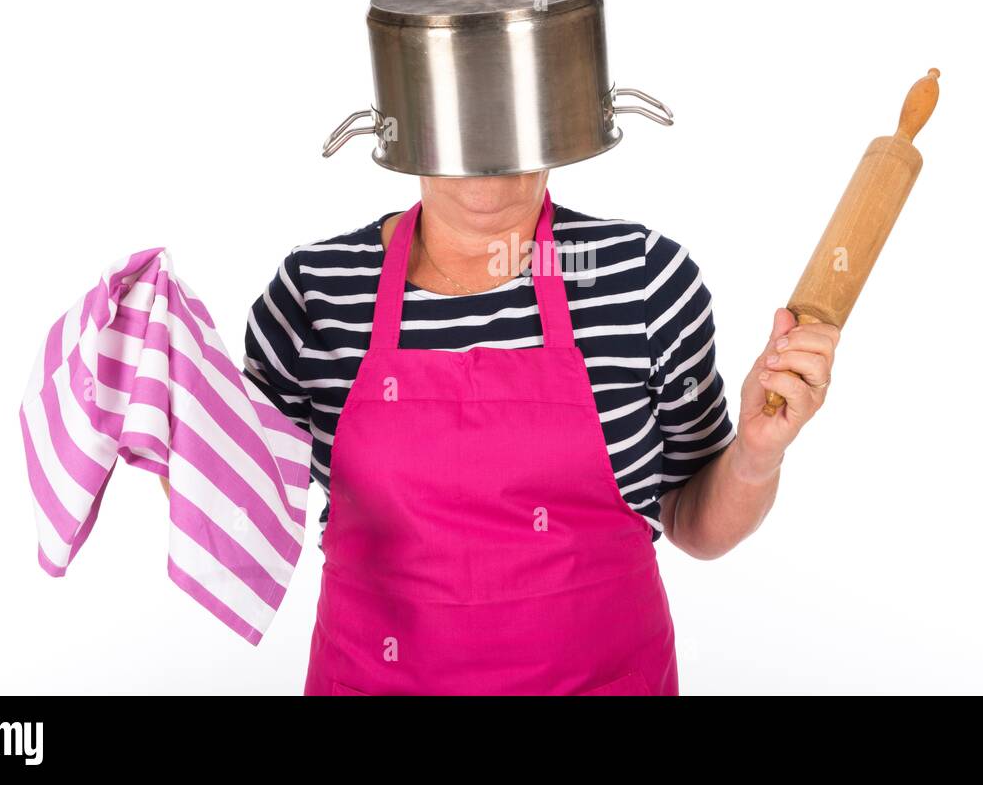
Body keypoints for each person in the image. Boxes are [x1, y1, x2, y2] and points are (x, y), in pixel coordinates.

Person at [243, 171, 838, 695]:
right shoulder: (312, 293)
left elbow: (693, 524)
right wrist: (166, 400)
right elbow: (235, 512)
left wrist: (757, 455)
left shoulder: (641, 278)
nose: (484, 147)